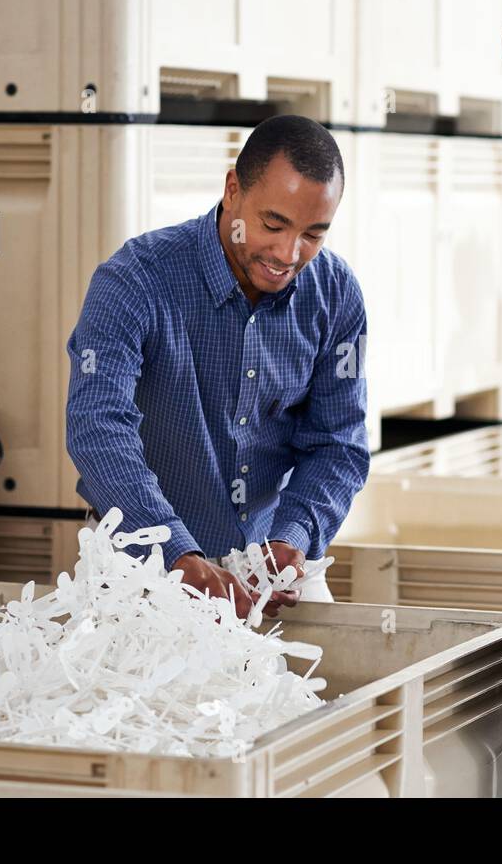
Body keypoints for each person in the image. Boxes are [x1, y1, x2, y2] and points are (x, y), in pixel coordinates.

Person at [65, 115, 369, 619]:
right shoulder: (133, 280)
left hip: (267, 572)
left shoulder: (337, 294)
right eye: (273, 224)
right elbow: (98, 430)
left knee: (325, 690)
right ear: (233, 190)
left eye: (313, 234)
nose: (287, 253)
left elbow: (339, 445)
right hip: (139, 561)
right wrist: (174, 555)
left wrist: (293, 538)